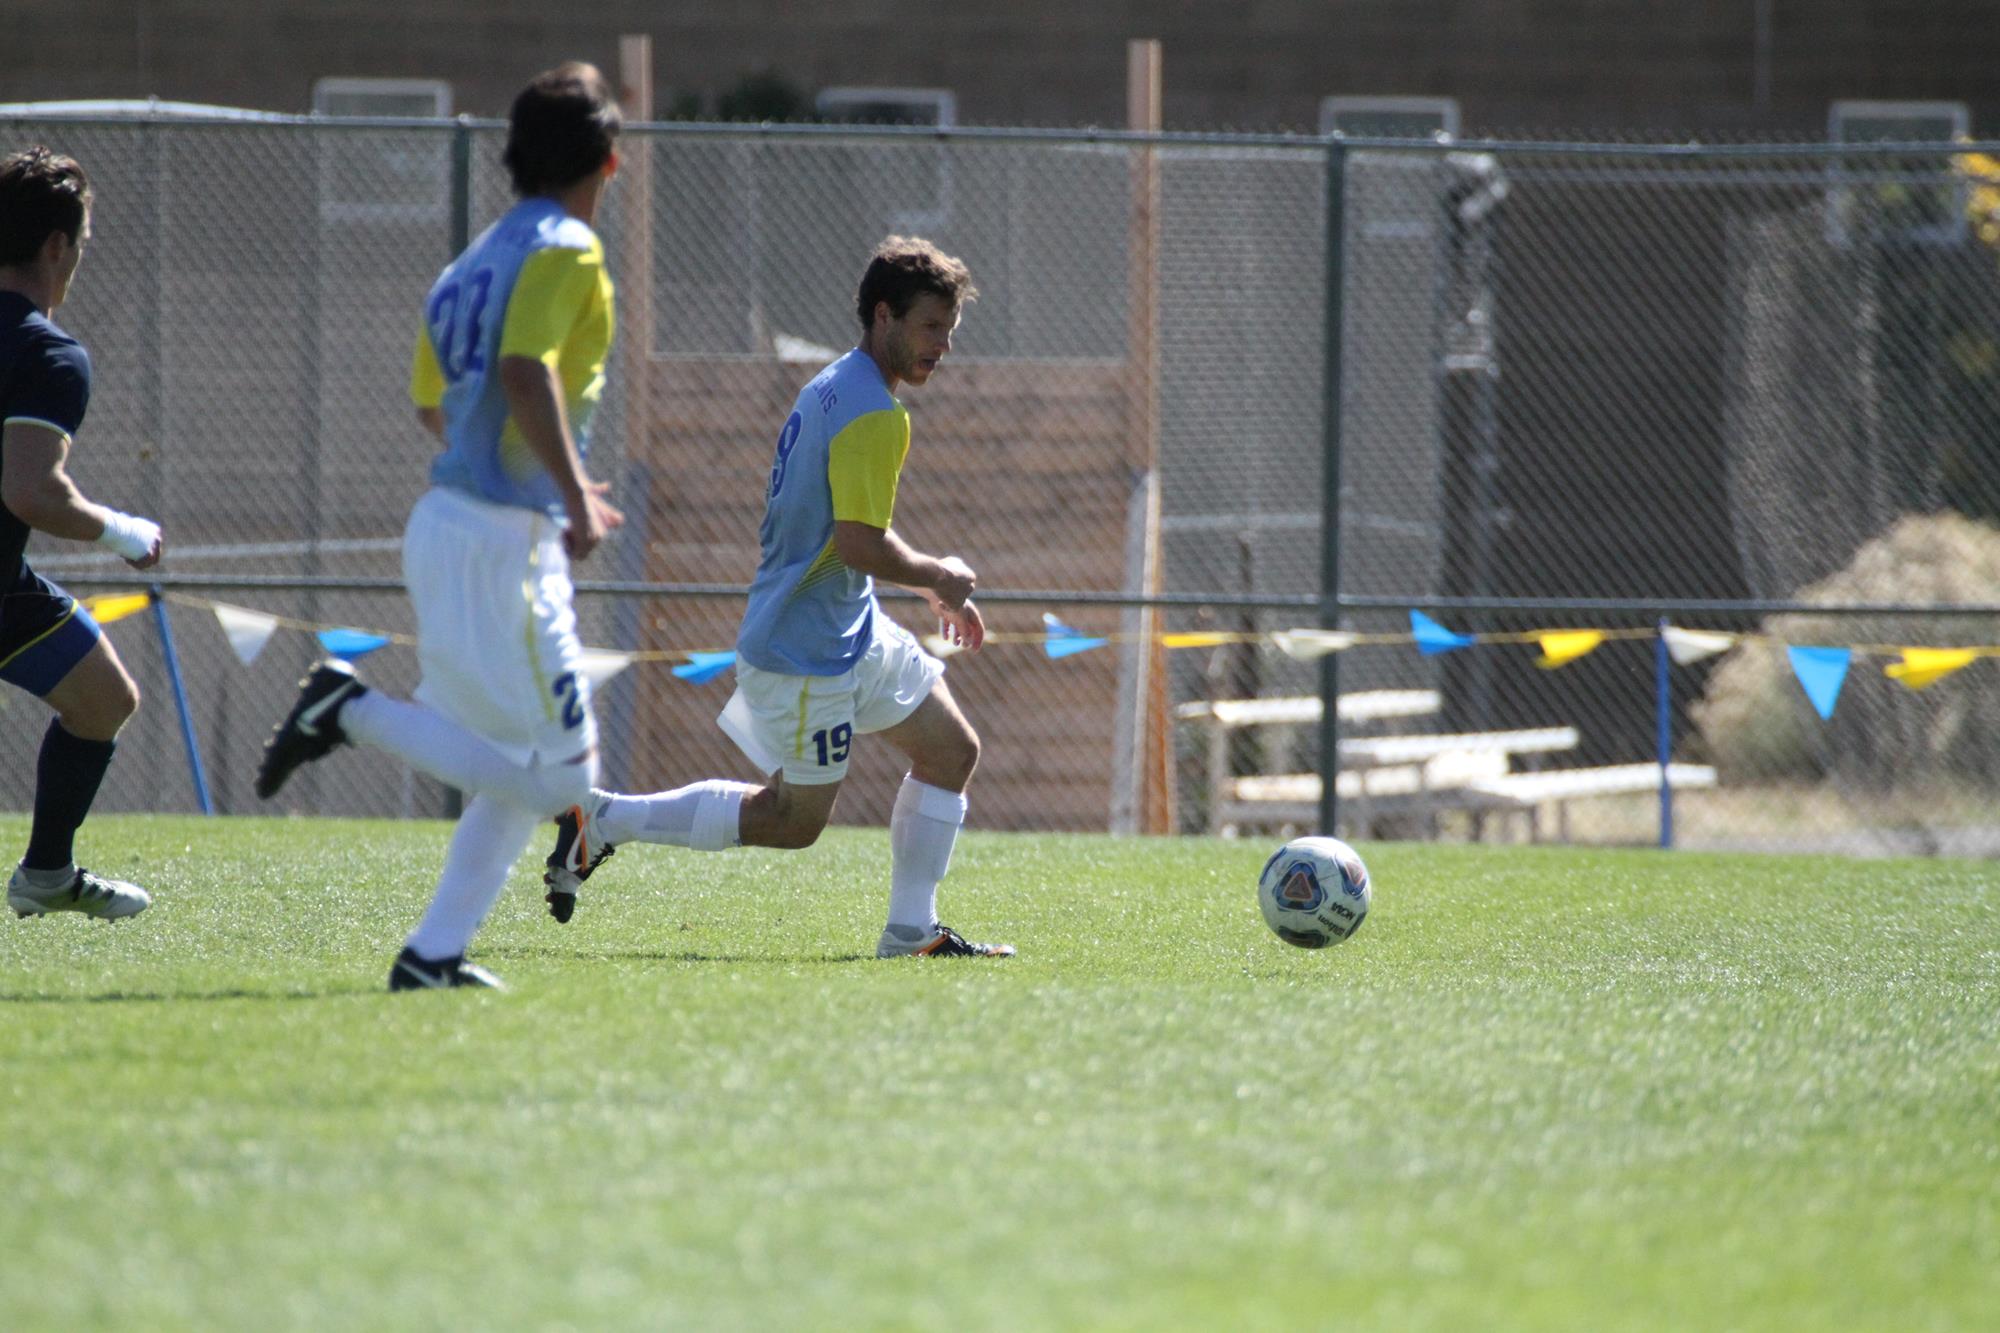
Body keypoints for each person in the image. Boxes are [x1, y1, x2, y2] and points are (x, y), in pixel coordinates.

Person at [253, 62, 625, 990]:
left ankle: (432, 955)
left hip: (452, 526)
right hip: (504, 541)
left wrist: (555, 475)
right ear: (611, 163)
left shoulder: (468, 261)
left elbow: (437, 407)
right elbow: (524, 373)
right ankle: (351, 707)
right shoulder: (569, 249)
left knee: (510, 761)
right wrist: (574, 495)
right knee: (567, 783)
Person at [542, 236, 1012, 959]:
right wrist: (941, 577)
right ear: (883, 315)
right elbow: (857, 542)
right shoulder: (872, 412)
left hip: (849, 626)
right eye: (929, 327)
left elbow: (850, 532)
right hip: (805, 652)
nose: (943, 345)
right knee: (792, 819)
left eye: (950, 330)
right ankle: (603, 819)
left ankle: (911, 932)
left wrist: (923, 581)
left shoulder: (835, 384)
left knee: (951, 750)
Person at [1, 147, 164, 922]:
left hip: (4, 583)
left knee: (103, 697)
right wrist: (124, 531)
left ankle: (46, 873)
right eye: (81, 248)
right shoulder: (47, 351)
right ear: (57, 246)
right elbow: (32, 489)